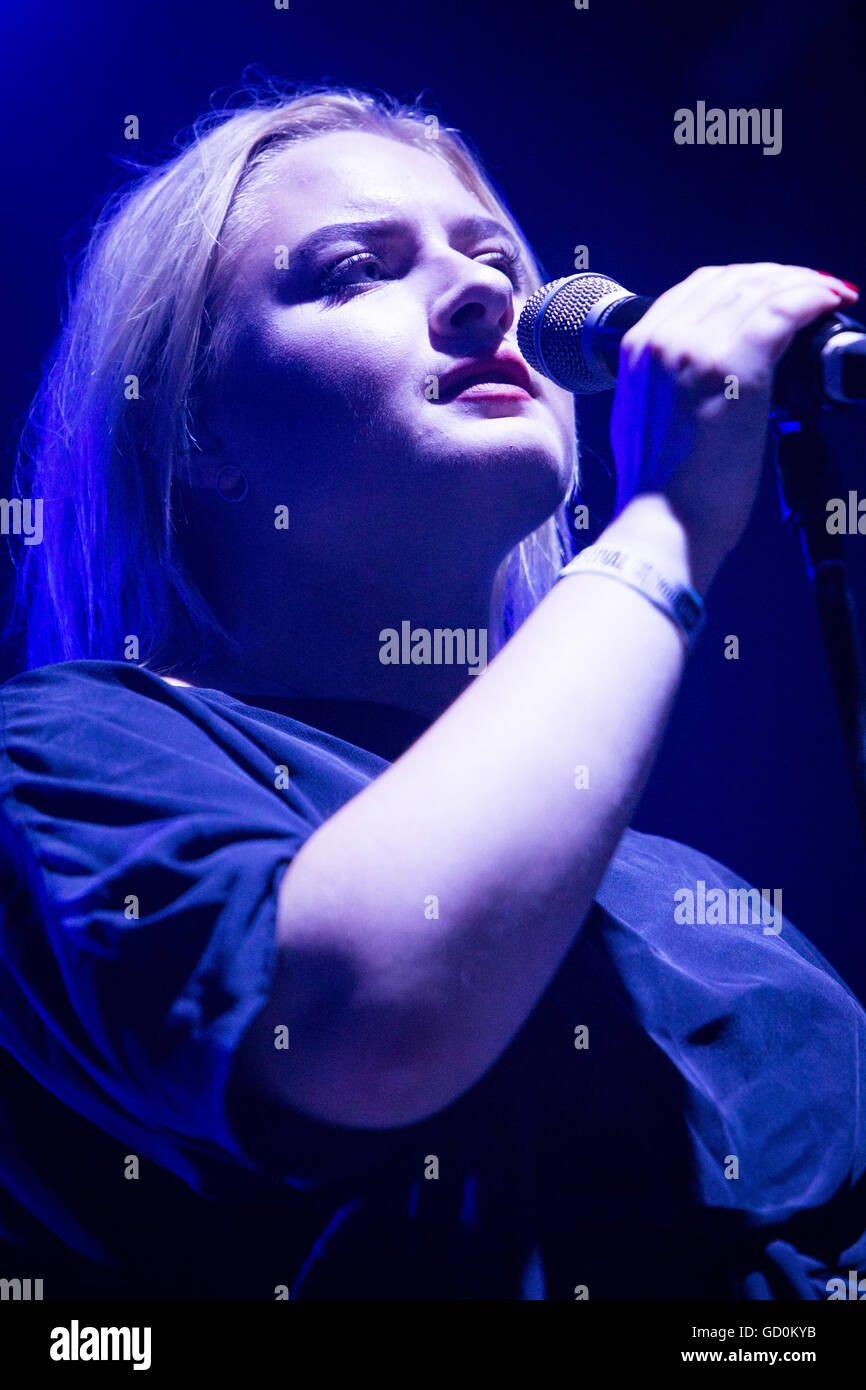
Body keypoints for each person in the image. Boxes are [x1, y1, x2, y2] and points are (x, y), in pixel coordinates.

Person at [0, 80, 864, 1301]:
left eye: (495, 259)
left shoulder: (697, 895)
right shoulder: (57, 753)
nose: (485, 296)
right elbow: (368, 1022)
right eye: (356, 269)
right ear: (193, 427)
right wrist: (663, 526)